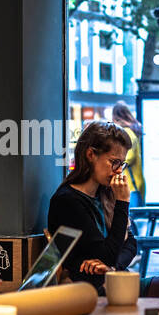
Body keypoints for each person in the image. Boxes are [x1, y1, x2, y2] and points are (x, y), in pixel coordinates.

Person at [47, 120, 138, 294]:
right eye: (114, 162)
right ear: (90, 155)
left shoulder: (105, 193)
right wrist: (123, 202)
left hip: (113, 281)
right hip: (91, 290)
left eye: (122, 164)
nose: (119, 171)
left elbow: (132, 244)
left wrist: (112, 269)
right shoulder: (67, 201)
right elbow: (106, 255)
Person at [112, 101, 145, 207]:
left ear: (117, 117)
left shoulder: (126, 133)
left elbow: (128, 158)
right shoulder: (131, 131)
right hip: (134, 185)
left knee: (128, 220)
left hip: (130, 187)